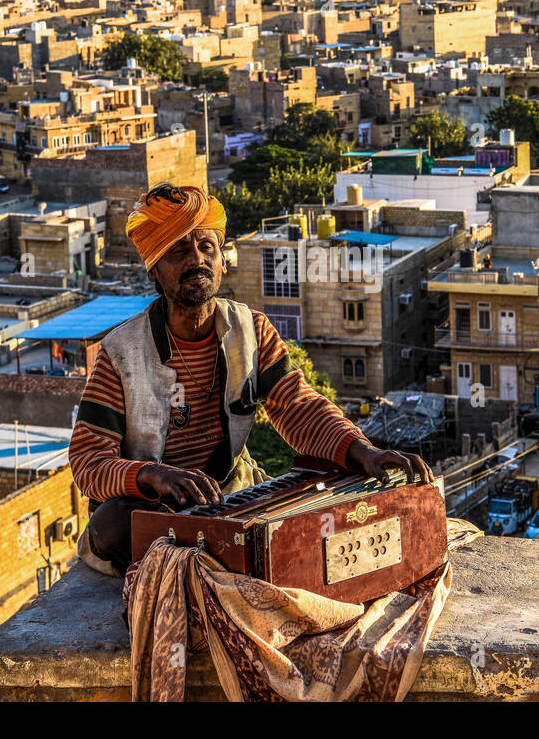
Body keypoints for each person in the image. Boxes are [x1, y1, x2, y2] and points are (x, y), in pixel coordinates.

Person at [70, 184, 432, 576]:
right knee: (116, 522)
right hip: (153, 510)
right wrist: (153, 476)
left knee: (337, 476)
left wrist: (364, 450)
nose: (196, 260)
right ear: (154, 269)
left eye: (206, 247)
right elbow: (88, 464)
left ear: (223, 261)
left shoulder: (251, 330)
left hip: (231, 494)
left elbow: (299, 408)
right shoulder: (121, 352)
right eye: (178, 251)